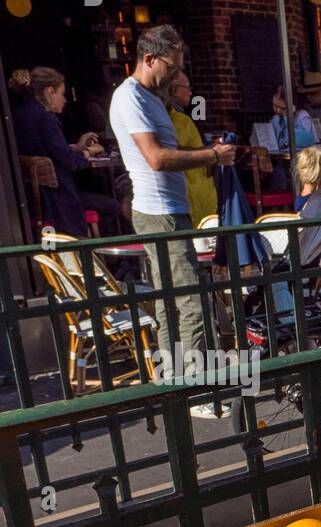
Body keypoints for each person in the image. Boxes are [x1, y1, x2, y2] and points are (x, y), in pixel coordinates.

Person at [110, 24, 236, 365]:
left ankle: (177, 382)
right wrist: (211, 156)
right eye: (173, 67)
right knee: (190, 300)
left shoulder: (151, 98)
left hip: (168, 209)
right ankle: (193, 385)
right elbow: (157, 158)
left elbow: (169, 149)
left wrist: (207, 152)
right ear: (149, 58)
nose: (177, 74)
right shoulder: (131, 96)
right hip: (158, 210)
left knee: (172, 300)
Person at [9, 67, 123, 237]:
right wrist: (89, 152)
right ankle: (102, 254)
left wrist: (77, 146)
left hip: (31, 199)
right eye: (62, 94)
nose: (65, 100)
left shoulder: (17, 115)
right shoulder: (46, 119)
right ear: (49, 91)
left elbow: (46, 149)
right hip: (56, 200)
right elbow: (70, 162)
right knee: (112, 205)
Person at [167, 70, 217, 224]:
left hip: (196, 185)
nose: (191, 92)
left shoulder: (179, 117)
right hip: (192, 188)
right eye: (187, 87)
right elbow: (176, 149)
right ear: (175, 91)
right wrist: (212, 152)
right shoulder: (177, 119)